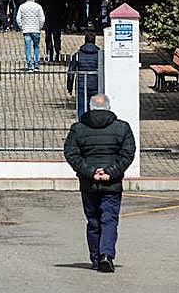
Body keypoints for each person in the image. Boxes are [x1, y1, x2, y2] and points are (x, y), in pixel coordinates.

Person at [64, 93, 136, 273]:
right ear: (108, 107)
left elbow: (71, 153)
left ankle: (96, 258)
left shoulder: (78, 129)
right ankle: (106, 255)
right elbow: (127, 154)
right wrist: (111, 172)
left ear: (90, 107)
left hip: (89, 183)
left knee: (93, 220)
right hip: (112, 184)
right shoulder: (122, 128)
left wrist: (90, 172)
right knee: (109, 219)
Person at [66, 33, 102, 120]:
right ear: (94, 41)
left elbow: (71, 72)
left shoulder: (77, 55)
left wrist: (69, 87)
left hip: (81, 85)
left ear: (85, 41)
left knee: (81, 107)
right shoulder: (99, 55)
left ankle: (81, 125)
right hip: (96, 85)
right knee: (95, 108)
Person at [16, 0, 46, 71]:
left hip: (26, 30)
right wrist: (39, 27)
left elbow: (18, 18)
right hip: (35, 29)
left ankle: (29, 66)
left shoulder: (22, 6)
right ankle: (36, 65)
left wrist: (22, 27)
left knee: (27, 48)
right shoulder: (38, 6)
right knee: (36, 47)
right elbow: (42, 18)